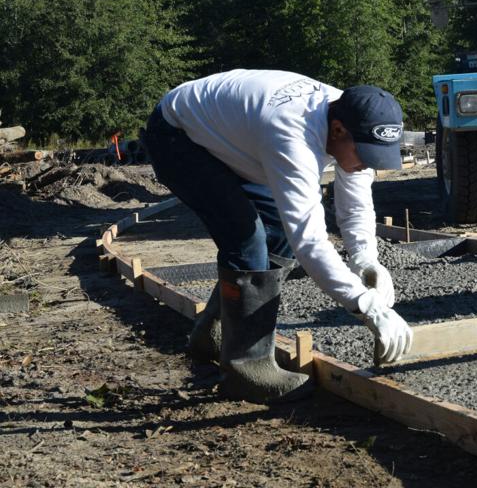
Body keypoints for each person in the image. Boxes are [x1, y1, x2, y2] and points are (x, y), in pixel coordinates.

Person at [141, 70, 413, 403]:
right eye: (366, 155)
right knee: (246, 238)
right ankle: (247, 369)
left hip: (234, 136)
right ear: (339, 130)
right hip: (178, 136)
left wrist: (365, 259)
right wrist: (366, 305)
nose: (368, 164)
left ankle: (216, 333)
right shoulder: (292, 135)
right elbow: (310, 241)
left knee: (280, 234)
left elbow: (355, 206)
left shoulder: (355, 117)